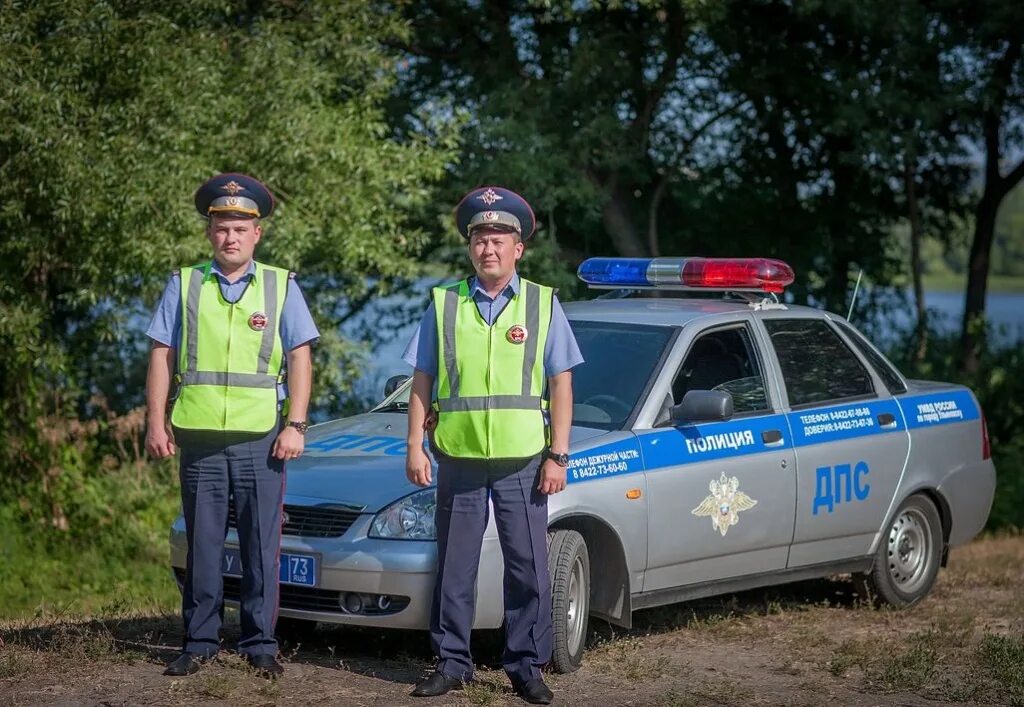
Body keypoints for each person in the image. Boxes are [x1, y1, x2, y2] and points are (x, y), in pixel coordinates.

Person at [403, 186, 583, 705]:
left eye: (500, 238)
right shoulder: (444, 303)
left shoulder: (542, 303)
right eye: (481, 238)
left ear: (518, 248)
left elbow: (562, 384)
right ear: (470, 247)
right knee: (455, 567)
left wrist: (559, 454)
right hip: (457, 457)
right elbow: (422, 380)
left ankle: (525, 666)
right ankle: (452, 662)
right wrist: (415, 445)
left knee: (527, 567)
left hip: (524, 460)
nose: (489, 248)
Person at [144, 173, 319, 678]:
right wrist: (156, 420)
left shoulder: (280, 285)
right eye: (222, 227)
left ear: (257, 234)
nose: (231, 237)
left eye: (241, 228)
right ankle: (199, 641)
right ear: (209, 232)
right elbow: (161, 353)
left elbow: (301, 356)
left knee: (261, 545)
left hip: (261, 436)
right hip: (197, 434)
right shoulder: (184, 283)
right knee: (202, 543)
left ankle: (260, 642)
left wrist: (297, 424)